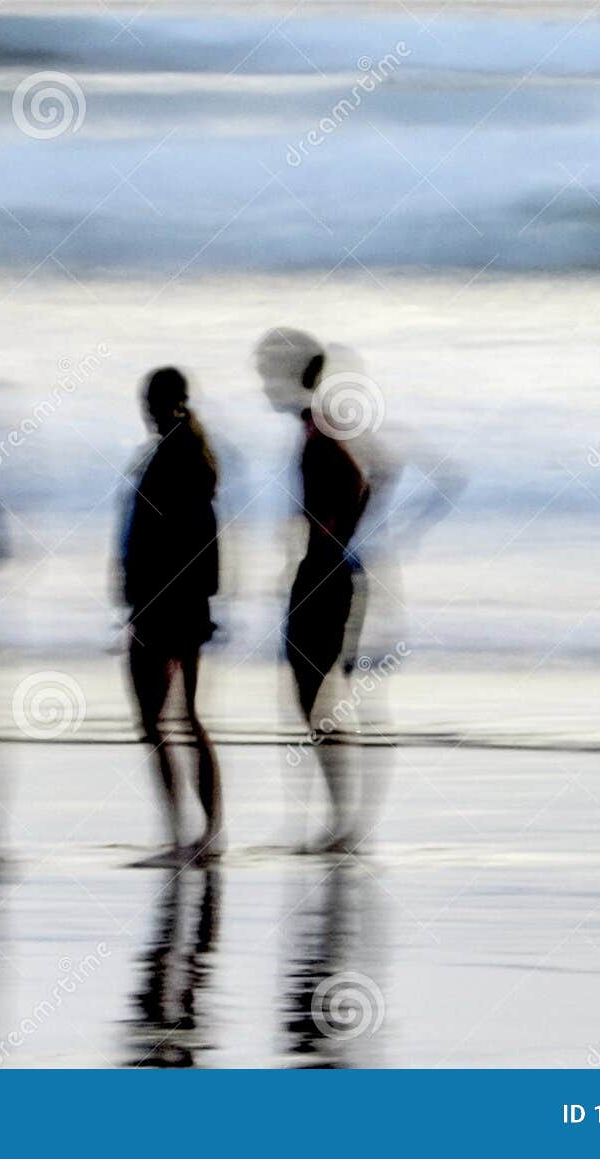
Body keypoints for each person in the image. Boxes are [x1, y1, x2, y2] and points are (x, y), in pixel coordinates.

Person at [256, 329, 371, 853]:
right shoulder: (315, 426)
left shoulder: (318, 429)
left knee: (312, 697)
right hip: (324, 570)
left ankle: (340, 823)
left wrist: (329, 538)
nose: (263, 386)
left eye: (266, 375)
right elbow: (363, 485)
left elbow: (359, 483)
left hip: (325, 575)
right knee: (310, 698)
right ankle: (334, 822)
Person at [119, 367, 224, 866]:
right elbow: (204, 539)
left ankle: (185, 834)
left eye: (146, 401)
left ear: (157, 404)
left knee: (154, 720)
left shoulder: (170, 459)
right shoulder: (194, 455)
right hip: (187, 606)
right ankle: (204, 833)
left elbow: (160, 542)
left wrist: (141, 605)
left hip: (162, 607)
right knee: (183, 716)